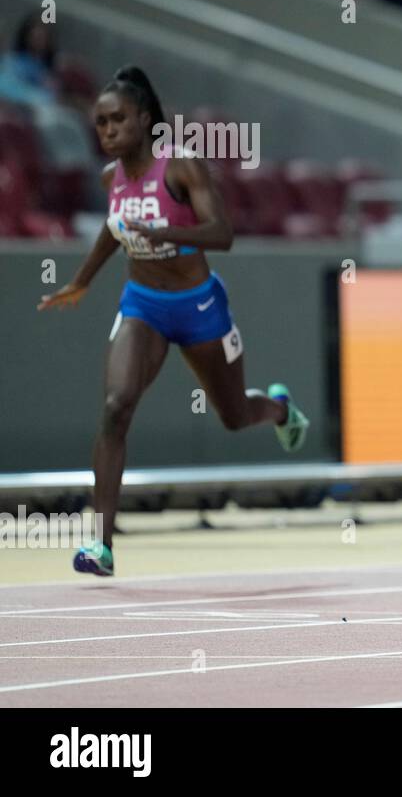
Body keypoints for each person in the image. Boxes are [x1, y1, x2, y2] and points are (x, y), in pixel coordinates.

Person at [37, 66, 309, 577]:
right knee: (116, 408)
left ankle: (279, 410)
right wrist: (81, 281)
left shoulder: (181, 166)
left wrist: (170, 235)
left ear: (144, 119)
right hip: (143, 305)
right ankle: (101, 544)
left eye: (118, 119)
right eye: (100, 123)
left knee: (233, 415)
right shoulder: (109, 178)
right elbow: (114, 230)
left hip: (200, 307)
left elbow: (224, 233)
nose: (108, 130)